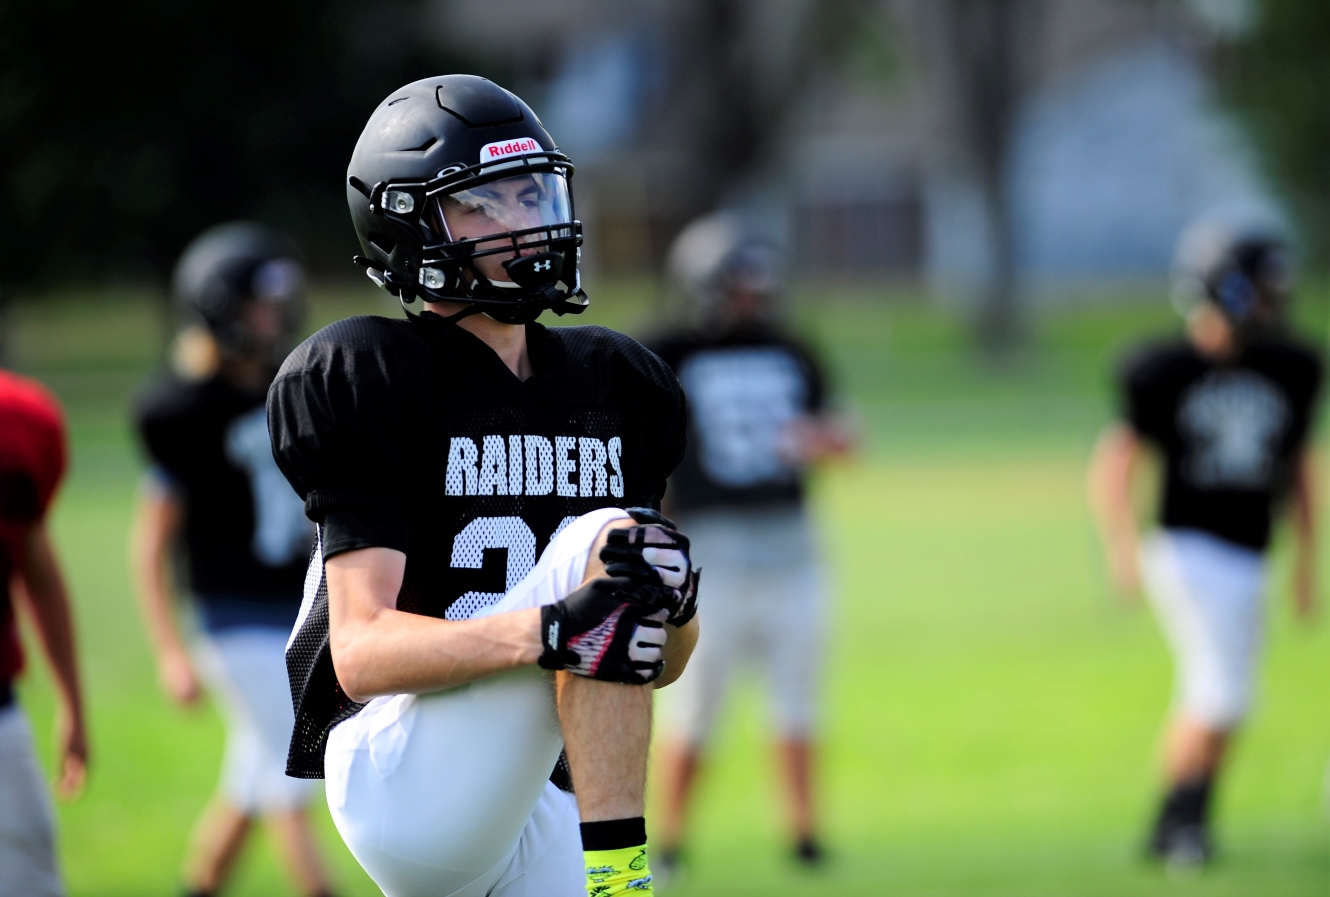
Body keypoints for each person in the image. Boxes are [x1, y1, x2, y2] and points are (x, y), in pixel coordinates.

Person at [267, 74, 700, 897]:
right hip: (403, 762)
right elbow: (359, 652)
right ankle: (625, 883)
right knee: (604, 536)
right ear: (407, 225)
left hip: (543, 783)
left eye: (531, 195)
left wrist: (669, 605)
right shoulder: (370, 372)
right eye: (483, 204)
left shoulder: (619, 383)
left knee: (622, 548)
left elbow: (659, 666)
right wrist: (550, 630)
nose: (524, 223)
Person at [1088, 222, 1321, 868]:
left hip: (1253, 549)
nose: (1272, 306)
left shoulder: (1292, 366)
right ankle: (1185, 824)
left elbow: (1299, 467)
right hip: (1188, 546)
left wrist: (1308, 559)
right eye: (1263, 292)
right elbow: (1117, 460)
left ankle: (1175, 818)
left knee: (1224, 691)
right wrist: (1121, 544)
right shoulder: (1165, 367)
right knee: (1220, 689)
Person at [130, 223, 335, 897]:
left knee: (254, 775)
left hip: (293, 614)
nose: (273, 318)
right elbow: (151, 542)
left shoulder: (289, 385)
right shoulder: (182, 410)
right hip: (234, 621)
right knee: (292, 771)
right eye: (257, 305)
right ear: (217, 307)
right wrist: (170, 649)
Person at [646, 212, 852, 878]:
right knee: (696, 703)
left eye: (760, 287)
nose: (753, 300)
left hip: (791, 545)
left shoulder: (792, 348)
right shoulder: (667, 350)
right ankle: (669, 839)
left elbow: (839, 427)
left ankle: (805, 835)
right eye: (740, 287)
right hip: (711, 549)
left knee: (799, 698)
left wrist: (828, 439)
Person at [0, 368, 87, 897]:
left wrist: (71, 703)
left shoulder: (21, 420)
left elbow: (36, 567)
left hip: (0, 709)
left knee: (31, 879)